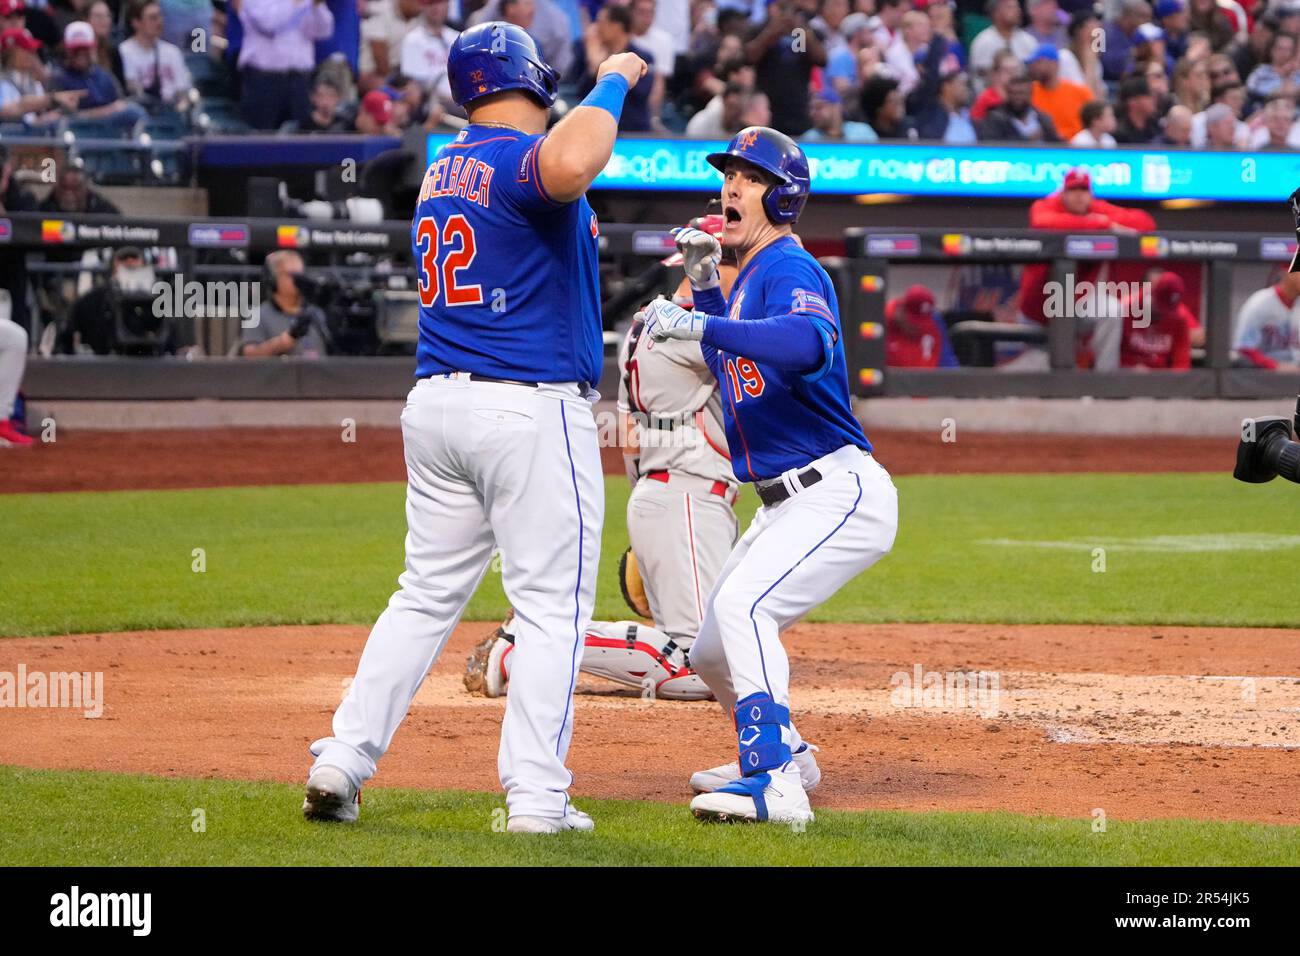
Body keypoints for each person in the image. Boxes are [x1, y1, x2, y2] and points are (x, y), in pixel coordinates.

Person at [303, 22, 648, 835]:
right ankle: (536, 800)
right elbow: (568, 162)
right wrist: (616, 80)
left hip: (438, 406)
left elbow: (544, 196)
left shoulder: (444, 167)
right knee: (551, 610)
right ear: (528, 76)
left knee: (423, 596)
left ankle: (343, 759)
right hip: (525, 408)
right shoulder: (511, 156)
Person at [638, 126, 897, 825]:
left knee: (747, 608)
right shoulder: (747, 275)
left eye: (749, 177)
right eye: (728, 174)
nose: (731, 186)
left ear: (783, 198)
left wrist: (698, 325)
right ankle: (792, 751)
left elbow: (805, 342)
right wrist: (704, 290)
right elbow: (737, 370)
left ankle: (774, 783)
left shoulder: (789, 267)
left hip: (836, 489)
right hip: (784, 501)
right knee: (711, 649)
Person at [466, 213, 740, 704]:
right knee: (702, 665)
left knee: (721, 650)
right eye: (740, 264)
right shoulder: (697, 330)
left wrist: (651, 518)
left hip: (669, 495)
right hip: (686, 497)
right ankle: (528, 644)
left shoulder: (647, 324)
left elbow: (631, 437)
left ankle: (540, 640)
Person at [1013, 169, 1156, 370]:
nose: (1079, 195)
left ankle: (1105, 381)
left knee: (1111, 310)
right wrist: (1102, 223)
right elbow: (1043, 222)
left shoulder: (1095, 208)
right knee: (1040, 369)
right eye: (1073, 190)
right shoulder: (1046, 205)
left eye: (1084, 190)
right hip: (1039, 309)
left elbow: (1145, 222)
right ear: (1063, 193)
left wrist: (1099, 219)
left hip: (1077, 302)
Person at [237, 0, 334, 130]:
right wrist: (296, 3)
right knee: (261, 137)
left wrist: (317, 7)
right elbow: (269, 23)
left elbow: (323, 31)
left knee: (301, 135)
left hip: (299, 79)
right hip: (263, 79)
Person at [745, 0, 826, 136]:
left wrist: (801, 30)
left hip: (799, 107)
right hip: (766, 109)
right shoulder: (758, 29)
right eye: (781, 7)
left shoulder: (803, 31)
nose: (786, 14)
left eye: (790, 9)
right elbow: (748, 58)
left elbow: (822, 60)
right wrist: (771, 33)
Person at [572, 3, 656, 132]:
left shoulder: (642, 57)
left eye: (601, 22)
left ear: (616, 27)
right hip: (595, 129)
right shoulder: (588, 52)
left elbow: (641, 93)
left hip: (631, 130)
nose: (596, 28)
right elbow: (580, 92)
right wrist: (594, 65)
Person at [51, 20, 146, 127]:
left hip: (109, 131)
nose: (81, 54)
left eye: (85, 49)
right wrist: (104, 112)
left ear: (93, 48)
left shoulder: (104, 76)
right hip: (78, 130)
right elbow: (58, 117)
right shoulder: (58, 77)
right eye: (76, 50)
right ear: (67, 50)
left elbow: (120, 104)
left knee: (134, 112)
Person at [239, 251, 328, 358]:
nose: (297, 281)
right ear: (273, 279)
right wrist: (283, 342)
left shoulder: (316, 313)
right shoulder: (257, 315)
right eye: (291, 275)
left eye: (300, 275)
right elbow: (250, 354)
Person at [119, 0, 193, 105]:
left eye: (160, 16)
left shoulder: (172, 51)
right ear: (136, 22)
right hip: (144, 108)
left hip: (172, 110)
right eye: (153, 18)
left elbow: (183, 90)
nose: (159, 22)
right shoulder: (124, 52)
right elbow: (132, 89)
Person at [1120, 272, 1193, 370]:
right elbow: (1107, 357)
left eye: (1168, 309)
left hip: (1162, 379)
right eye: (1160, 306)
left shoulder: (1179, 315)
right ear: (1152, 294)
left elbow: (1182, 363)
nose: (1163, 313)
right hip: (1124, 378)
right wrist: (1129, 369)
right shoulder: (1124, 308)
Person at [1232, 273, 1300, 370]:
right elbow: (1244, 348)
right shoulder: (1260, 302)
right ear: (1288, 273)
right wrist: (1275, 366)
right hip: (1262, 375)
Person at [398, 0, 458, 111]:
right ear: (422, 7)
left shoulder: (458, 38)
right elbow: (417, 85)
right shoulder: (412, 39)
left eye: (439, 3)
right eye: (430, 4)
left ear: (447, 5)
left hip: (462, 101)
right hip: (433, 105)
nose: (435, 8)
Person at [1026, 42, 1091, 140]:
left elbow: (1095, 120)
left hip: (1076, 149)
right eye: (1033, 63)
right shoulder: (1028, 91)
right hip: (1042, 149)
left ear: (1053, 64)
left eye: (1038, 62)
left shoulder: (1080, 92)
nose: (1034, 67)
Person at [885, 284, 959, 368]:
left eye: (922, 321)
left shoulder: (935, 321)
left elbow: (948, 364)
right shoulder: (882, 323)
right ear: (901, 310)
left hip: (927, 379)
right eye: (914, 321)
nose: (918, 327)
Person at [968, 0, 1036, 88]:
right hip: (992, 98)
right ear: (996, 13)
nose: (1018, 11)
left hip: (1024, 97)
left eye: (1017, 7)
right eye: (1010, 7)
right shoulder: (982, 43)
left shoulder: (1028, 41)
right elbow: (979, 80)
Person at [977, 71, 1059, 141]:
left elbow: (1057, 144)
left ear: (1030, 94)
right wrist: (1028, 140)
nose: (1017, 97)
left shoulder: (1043, 119)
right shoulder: (995, 118)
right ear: (1007, 94)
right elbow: (992, 144)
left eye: (1021, 93)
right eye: (1013, 93)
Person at [801, 85, 877, 140]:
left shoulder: (862, 132)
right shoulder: (809, 138)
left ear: (836, 107)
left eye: (818, 107)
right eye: (811, 109)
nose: (812, 113)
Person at [1113, 74, 1162, 143]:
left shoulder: (1156, 128)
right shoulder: (1118, 134)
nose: (1154, 99)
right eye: (1149, 95)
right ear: (1133, 101)